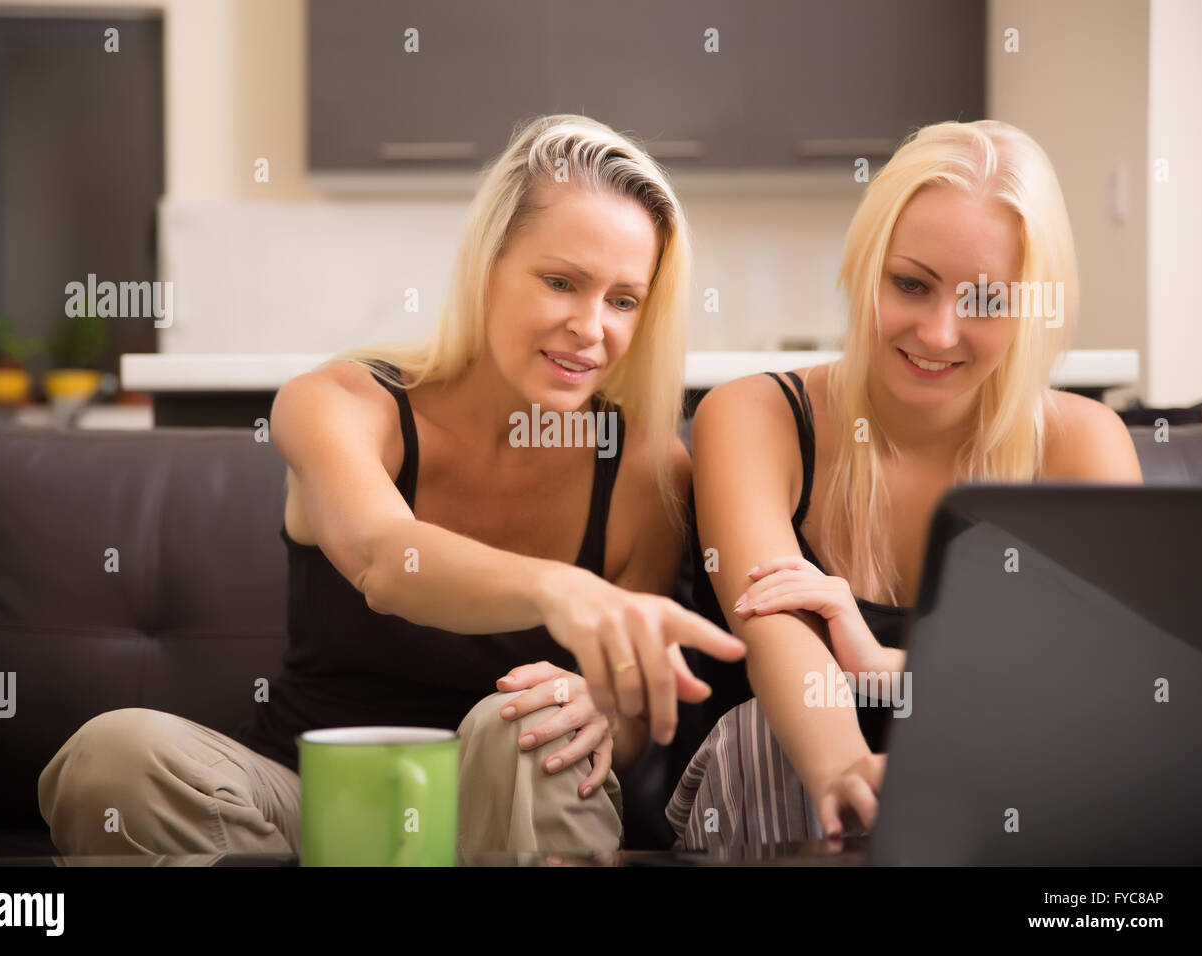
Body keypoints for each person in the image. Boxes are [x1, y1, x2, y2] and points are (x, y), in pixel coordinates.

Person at [38, 114, 745, 859]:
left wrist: (600, 707)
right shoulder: (339, 403)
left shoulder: (643, 468)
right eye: (561, 281)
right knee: (114, 755)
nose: (590, 326)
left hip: (495, 816)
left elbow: (634, 717)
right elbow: (384, 558)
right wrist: (559, 590)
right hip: (302, 802)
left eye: (623, 300)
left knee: (531, 731)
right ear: (486, 265)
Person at [667, 119, 1143, 850]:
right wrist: (845, 770)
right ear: (865, 269)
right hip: (778, 787)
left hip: (999, 792)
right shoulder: (753, 415)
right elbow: (772, 630)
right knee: (759, 734)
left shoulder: (1082, 444)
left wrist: (884, 665)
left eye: (986, 301)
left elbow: (1092, 690)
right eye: (911, 284)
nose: (939, 332)